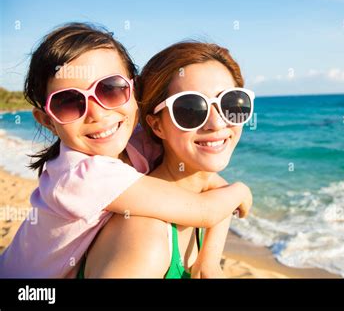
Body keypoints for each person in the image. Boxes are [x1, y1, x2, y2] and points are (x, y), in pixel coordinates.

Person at [0, 24, 252, 278]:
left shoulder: (135, 142)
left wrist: (209, 259)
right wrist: (241, 190)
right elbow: (205, 210)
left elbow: (210, 187)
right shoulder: (84, 176)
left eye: (110, 89)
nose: (98, 114)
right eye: (68, 102)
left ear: (133, 91)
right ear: (47, 121)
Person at [85, 41, 255, 278]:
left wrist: (210, 260)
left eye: (230, 103)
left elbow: (216, 201)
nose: (217, 124)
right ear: (156, 125)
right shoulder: (147, 238)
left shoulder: (209, 199)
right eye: (190, 109)